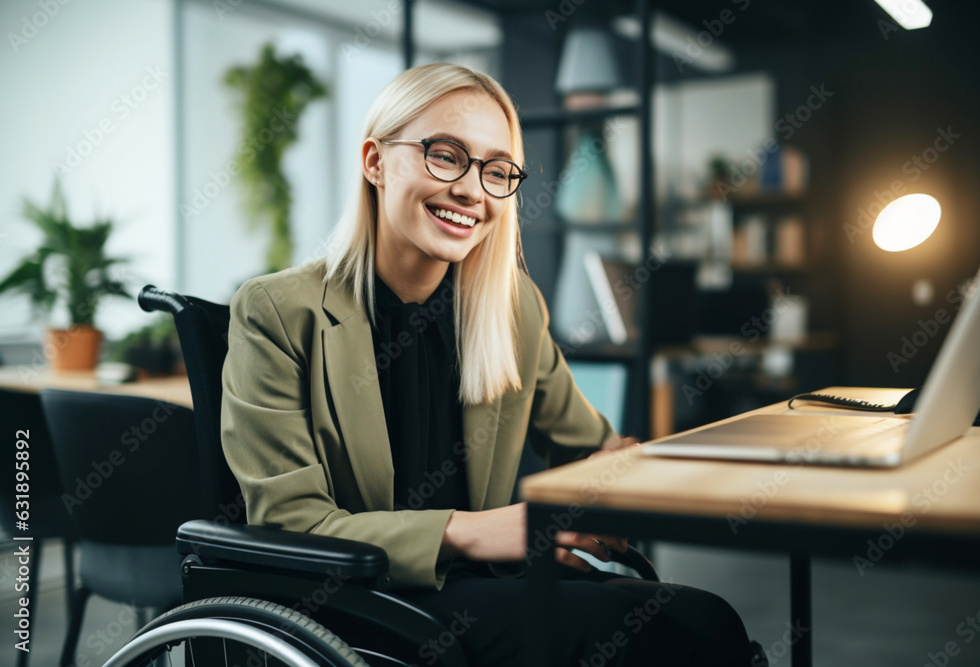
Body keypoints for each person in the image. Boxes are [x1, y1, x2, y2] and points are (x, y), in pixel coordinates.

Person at [221, 62, 760, 666]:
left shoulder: (512, 309)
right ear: (374, 162)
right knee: (656, 637)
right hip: (360, 603)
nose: (473, 191)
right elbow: (288, 523)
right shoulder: (278, 309)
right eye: (446, 156)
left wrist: (625, 475)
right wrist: (477, 532)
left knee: (706, 621)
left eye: (497, 171)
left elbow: (592, 449)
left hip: (486, 586)